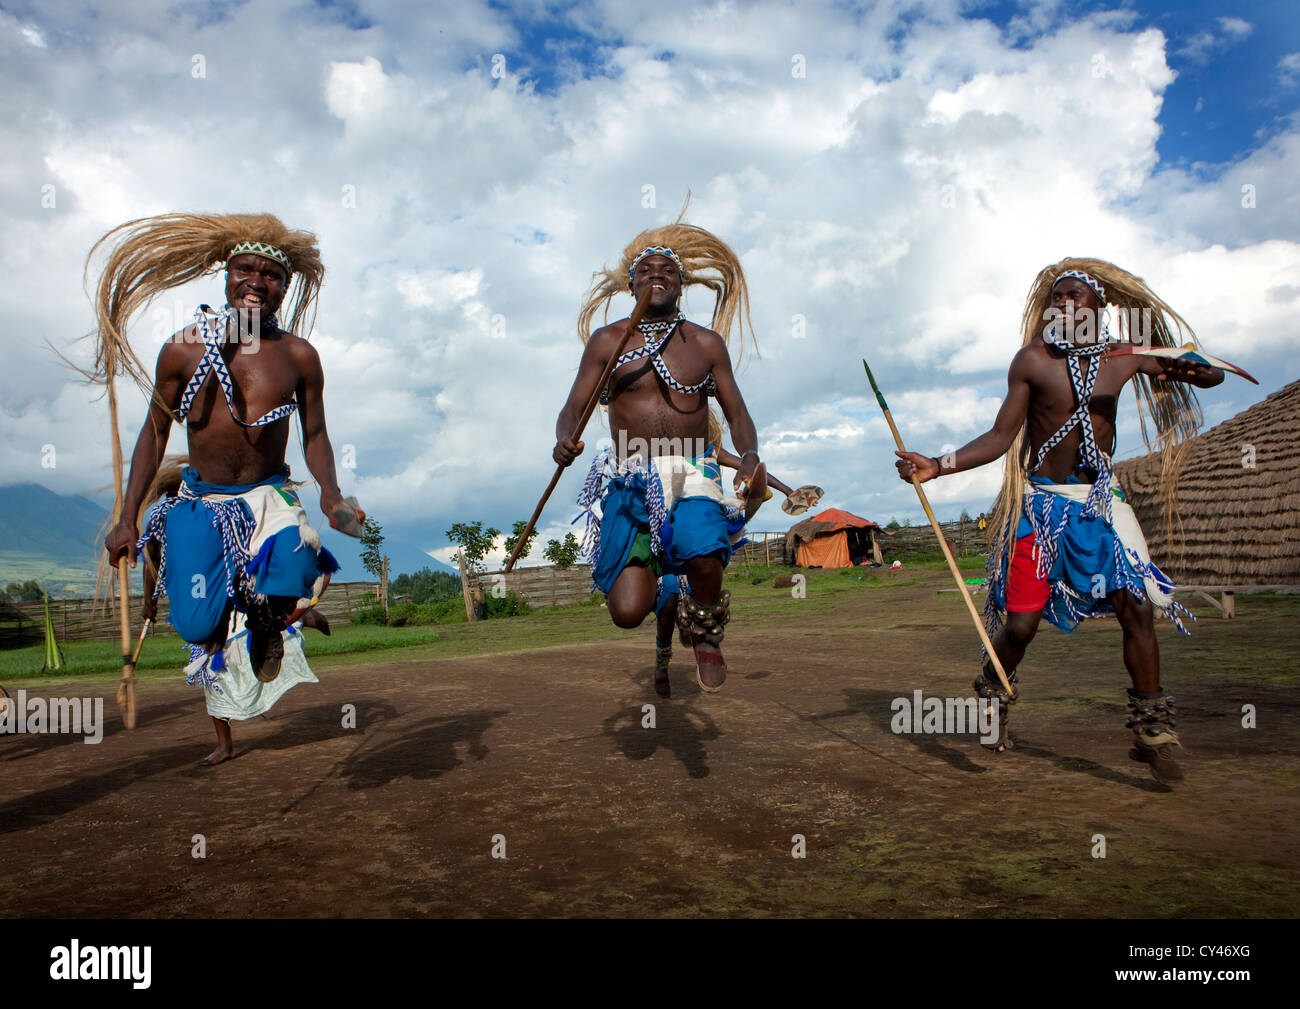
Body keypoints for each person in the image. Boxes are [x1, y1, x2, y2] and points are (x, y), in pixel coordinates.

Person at [894, 259, 1221, 784]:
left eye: (1075, 295)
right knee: (1021, 625)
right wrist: (938, 465)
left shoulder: (1126, 359)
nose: (1063, 304)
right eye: (1056, 297)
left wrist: (1195, 367)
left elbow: (1207, 375)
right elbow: (1001, 437)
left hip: (1101, 506)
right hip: (1043, 511)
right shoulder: (1033, 362)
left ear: (1100, 308)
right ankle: (994, 685)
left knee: (1136, 608)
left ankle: (1151, 731)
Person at [95, 213, 363, 765]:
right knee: (198, 624)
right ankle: (225, 730)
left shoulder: (298, 357)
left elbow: (315, 435)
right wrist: (127, 517)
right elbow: (152, 432)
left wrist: (332, 499)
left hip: (269, 496)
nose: (256, 282)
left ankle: (274, 614)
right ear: (225, 273)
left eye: (270, 275)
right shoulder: (184, 351)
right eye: (246, 269)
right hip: (202, 504)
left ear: (285, 288)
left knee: (298, 567)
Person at [553, 216, 763, 694]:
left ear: (681, 283)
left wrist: (748, 453)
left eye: (666, 269)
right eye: (646, 271)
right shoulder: (608, 342)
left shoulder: (705, 344)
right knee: (628, 613)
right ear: (632, 284)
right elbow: (570, 410)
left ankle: (707, 627)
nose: (657, 276)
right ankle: (661, 596)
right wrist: (564, 439)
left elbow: (738, 413)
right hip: (629, 475)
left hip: (691, 468)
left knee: (705, 549)